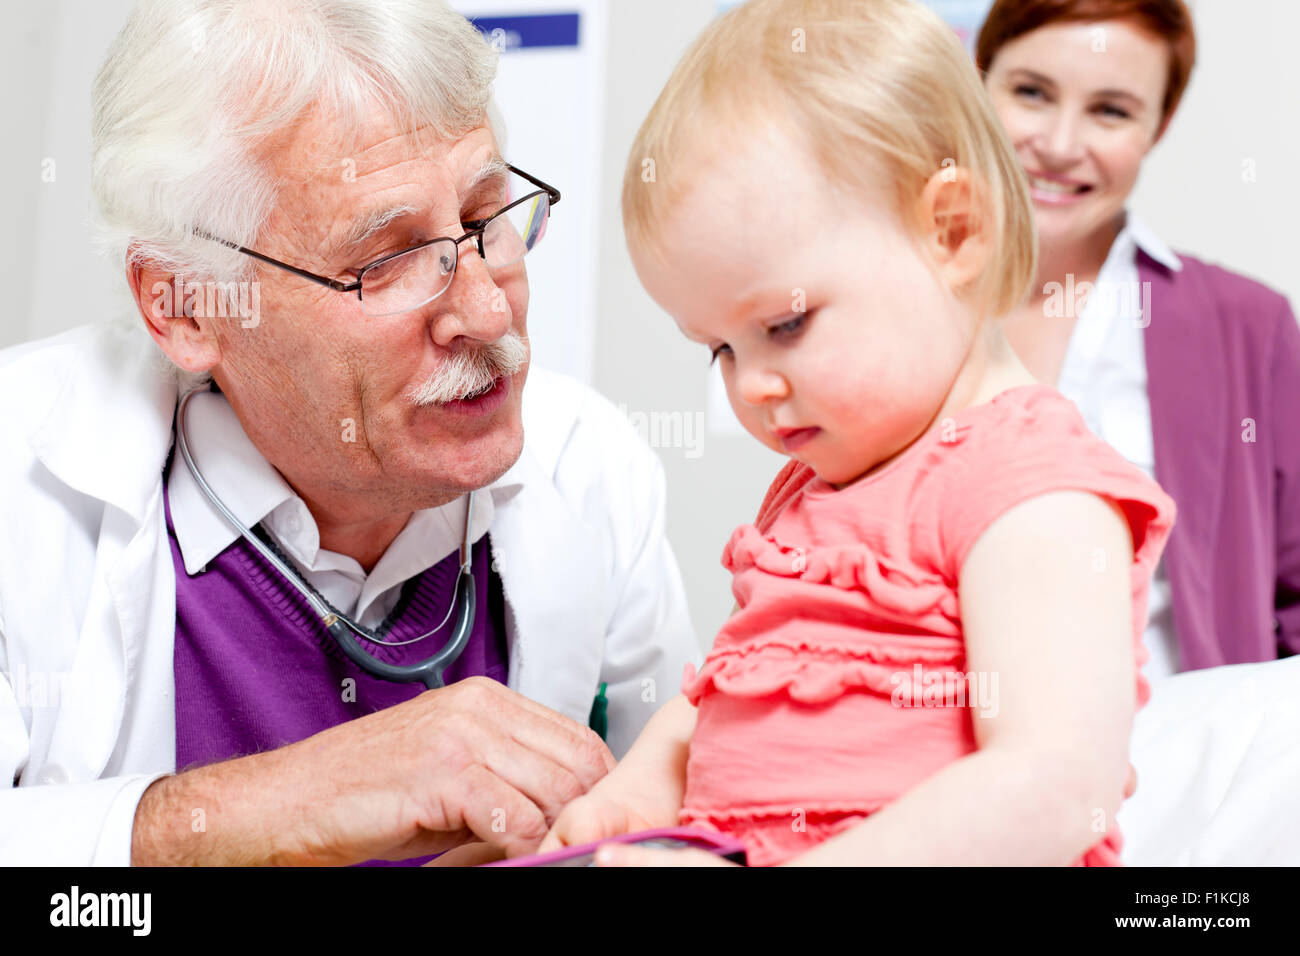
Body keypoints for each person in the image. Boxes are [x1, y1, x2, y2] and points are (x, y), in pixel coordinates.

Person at [0, 0, 697, 866]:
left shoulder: (591, 468)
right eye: (386, 259)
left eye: (487, 217)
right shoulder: (19, 489)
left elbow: (683, 820)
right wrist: (282, 803)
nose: (486, 311)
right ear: (182, 303)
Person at [542, 0, 1174, 867]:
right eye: (721, 349)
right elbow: (739, 686)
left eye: (787, 324)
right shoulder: (818, 488)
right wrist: (639, 788)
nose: (750, 385)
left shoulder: (1033, 487)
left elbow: (1058, 785)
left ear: (953, 232)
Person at [978, 0, 1300, 676]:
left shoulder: (1247, 323)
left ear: (1160, 124)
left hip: (1188, 764)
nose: (1062, 144)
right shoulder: (892, 300)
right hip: (935, 763)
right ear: (978, 83)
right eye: (1032, 92)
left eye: (1111, 110)